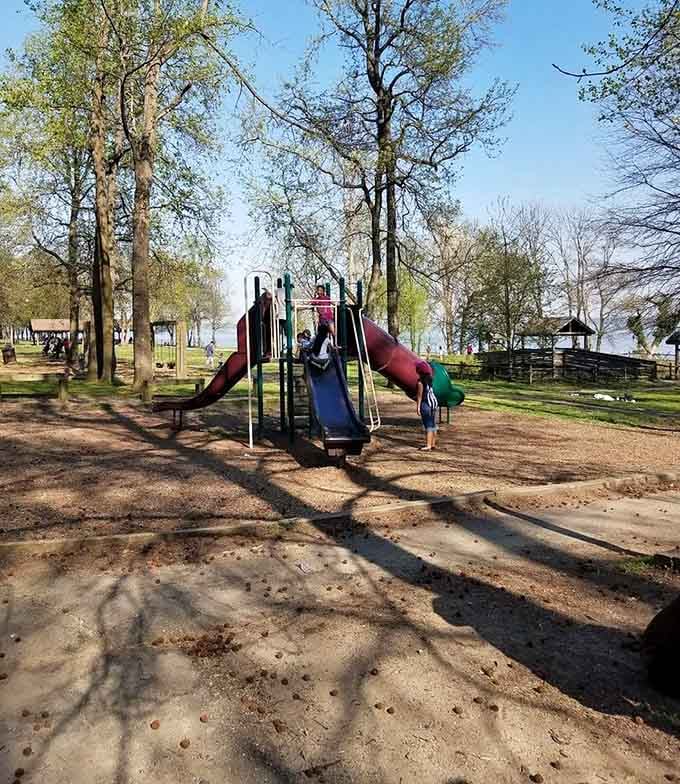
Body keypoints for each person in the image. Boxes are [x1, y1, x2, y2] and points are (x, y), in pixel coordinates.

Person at [415, 360, 439, 451]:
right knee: (433, 424)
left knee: (428, 425)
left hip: (426, 404)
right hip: (433, 403)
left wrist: (418, 407)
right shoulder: (430, 379)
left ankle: (428, 445)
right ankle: (433, 444)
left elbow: (419, 396)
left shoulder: (420, 382)